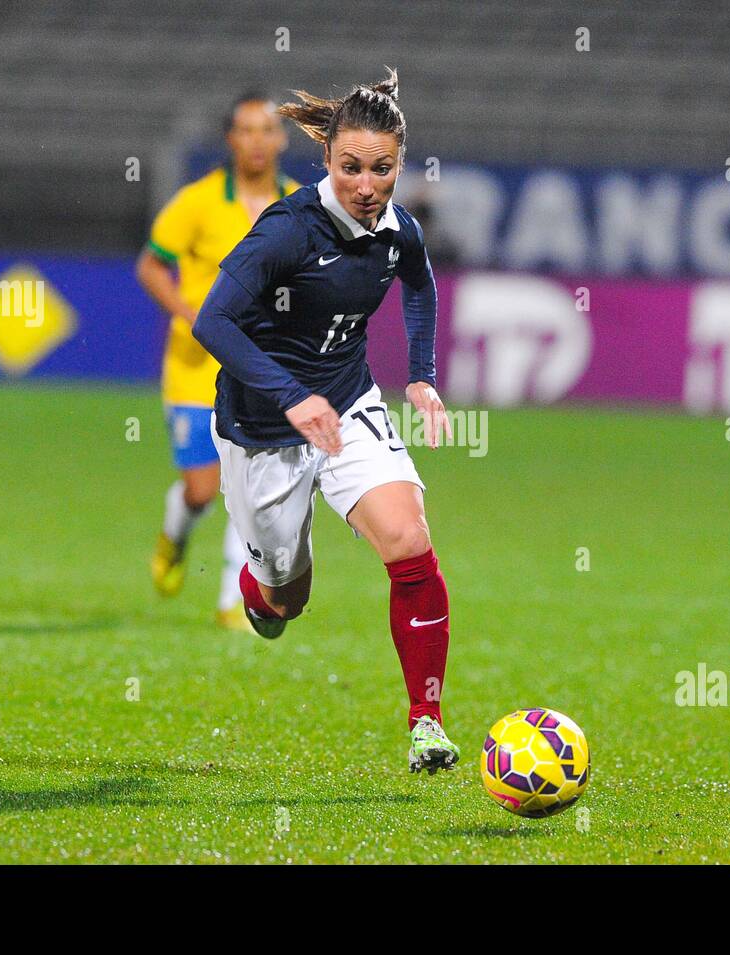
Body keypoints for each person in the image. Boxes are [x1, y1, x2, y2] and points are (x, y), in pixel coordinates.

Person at [190, 69, 460, 774]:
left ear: (399, 165)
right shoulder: (286, 231)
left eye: (381, 169)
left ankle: (426, 723)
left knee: (408, 540)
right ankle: (261, 588)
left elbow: (421, 284)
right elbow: (211, 321)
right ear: (327, 162)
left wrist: (423, 375)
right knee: (287, 599)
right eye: (350, 168)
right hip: (264, 427)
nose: (366, 185)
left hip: (348, 404)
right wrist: (289, 394)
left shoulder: (398, 228)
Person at [136, 93, 299, 629]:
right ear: (231, 139)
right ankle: (175, 533)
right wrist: (185, 310)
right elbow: (152, 265)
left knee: (248, 484)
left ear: (282, 138)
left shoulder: (299, 205)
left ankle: (234, 598)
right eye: (246, 129)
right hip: (195, 367)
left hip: (259, 369)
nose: (257, 140)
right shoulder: (199, 201)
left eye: (267, 129)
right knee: (205, 488)